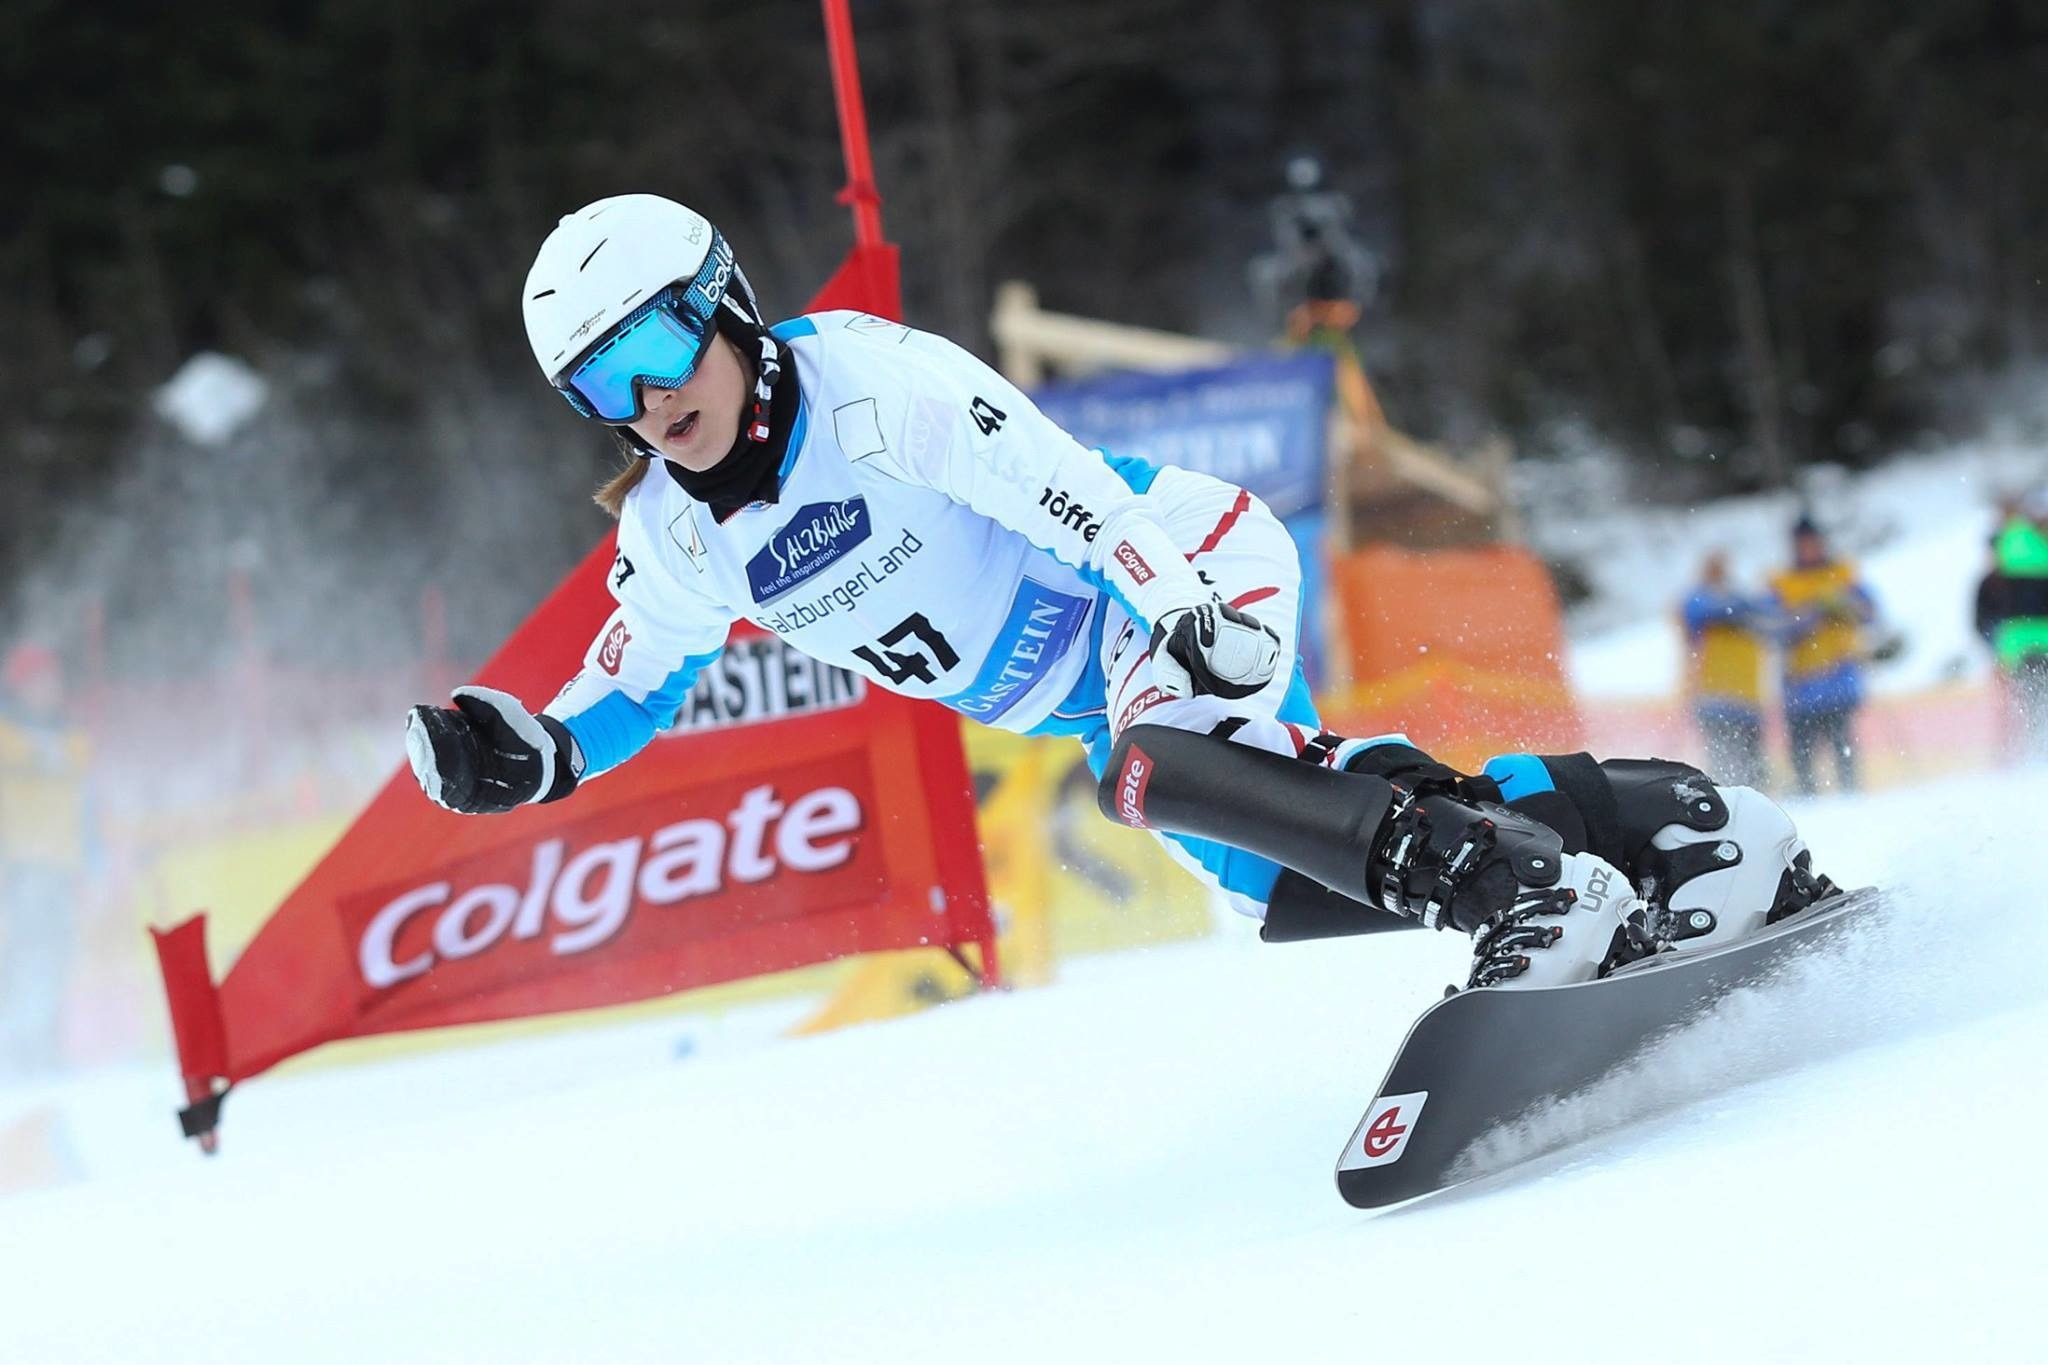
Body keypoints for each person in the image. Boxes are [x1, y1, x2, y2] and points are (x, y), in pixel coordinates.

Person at [405, 195, 1838, 994]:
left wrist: (1179, 608)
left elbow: (1063, 489)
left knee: (1153, 770)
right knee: (1281, 888)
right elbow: (627, 685)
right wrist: (526, 754)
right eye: (603, 384)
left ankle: (1519, 892)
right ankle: (1669, 831)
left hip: (1174, 567)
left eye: (659, 346)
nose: (650, 401)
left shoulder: (870, 383)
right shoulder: (680, 537)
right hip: (1099, 689)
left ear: (721, 302)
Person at [0, 642, 94, 1072]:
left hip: (60, 868)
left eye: (52, 680)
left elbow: (80, 758)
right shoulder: (9, 731)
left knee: (56, 960)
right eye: (38, 681)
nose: (49, 689)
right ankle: (21, 1052)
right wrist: (43, 754)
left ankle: (45, 1049)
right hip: (19, 866)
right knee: (22, 960)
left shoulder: (67, 733)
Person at [1770, 516, 1876, 795]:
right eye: (1803, 544)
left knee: (1844, 751)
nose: (1809, 549)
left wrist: (1843, 604)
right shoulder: (1782, 581)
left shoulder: (1842, 574)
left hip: (1839, 680)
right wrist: (1807, 615)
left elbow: (1870, 612)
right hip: (1800, 686)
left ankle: (1851, 797)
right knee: (1803, 758)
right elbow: (1771, 626)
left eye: (1813, 543)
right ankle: (1808, 800)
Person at [1680, 551, 1771, 788]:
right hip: (1713, 696)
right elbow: (1696, 614)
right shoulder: (1699, 601)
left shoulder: (1743, 602)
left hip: (1746, 697)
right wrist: (1733, 611)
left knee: (1752, 762)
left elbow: (1769, 615)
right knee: (1720, 759)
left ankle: (1754, 793)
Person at [1979, 492, 2048, 755]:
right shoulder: (2035, 545)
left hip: (2019, 645)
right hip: (2035, 641)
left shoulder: (2011, 543)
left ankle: (2035, 755)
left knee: (2031, 707)